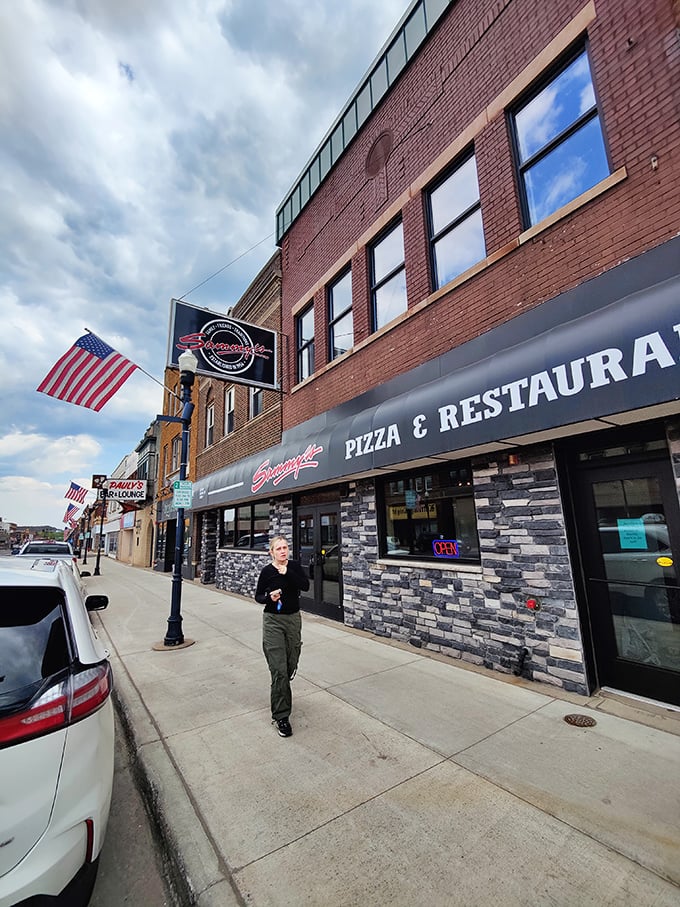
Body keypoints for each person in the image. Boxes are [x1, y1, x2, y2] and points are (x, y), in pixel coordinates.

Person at [254, 536, 310, 737]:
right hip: (273, 621)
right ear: (272, 552)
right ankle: (281, 716)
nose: (283, 551)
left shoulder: (294, 566)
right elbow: (258, 596)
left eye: (285, 547)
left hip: (293, 619)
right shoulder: (266, 571)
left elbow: (305, 586)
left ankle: (282, 688)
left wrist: (288, 573)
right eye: (278, 549)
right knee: (278, 669)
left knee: (290, 664)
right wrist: (269, 597)